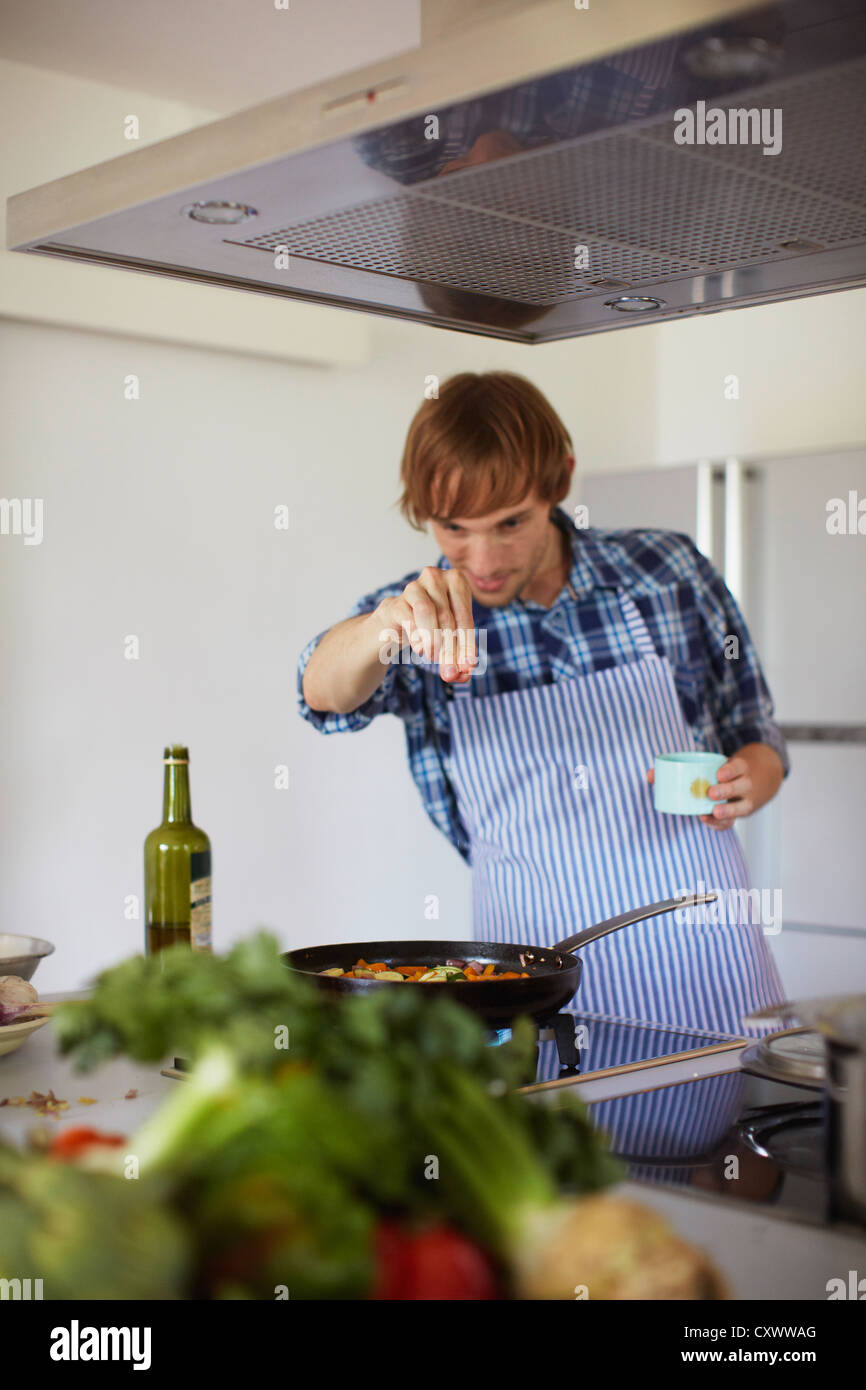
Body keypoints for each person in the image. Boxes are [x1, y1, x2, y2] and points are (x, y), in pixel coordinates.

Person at [298, 372, 787, 1034]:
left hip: (701, 959)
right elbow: (321, 692)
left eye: (511, 522)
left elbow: (756, 735)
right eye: (453, 528)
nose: (484, 559)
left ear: (561, 479)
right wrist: (384, 629)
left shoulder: (665, 573)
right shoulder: (419, 621)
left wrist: (749, 778)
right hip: (525, 982)